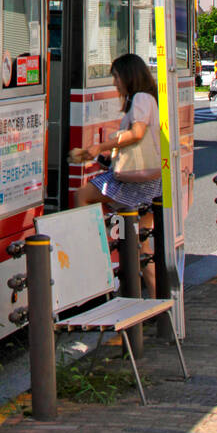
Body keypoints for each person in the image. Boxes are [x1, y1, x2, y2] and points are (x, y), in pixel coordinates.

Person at [69, 52, 162, 295]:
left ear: (128, 77)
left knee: (82, 195)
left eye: (117, 77)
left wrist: (102, 146)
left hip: (135, 181)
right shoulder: (148, 99)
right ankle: (157, 300)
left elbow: (137, 134)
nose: (115, 83)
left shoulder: (140, 98)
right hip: (151, 181)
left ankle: (94, 253)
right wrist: (105, 156)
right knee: (141, 244)